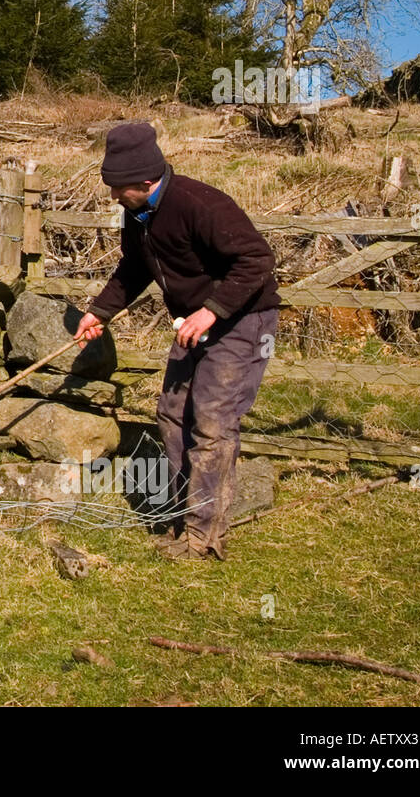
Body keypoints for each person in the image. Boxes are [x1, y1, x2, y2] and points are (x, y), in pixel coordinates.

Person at [75, 123, 280, 560]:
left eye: (118, 188)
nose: (114, 197)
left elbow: (257, 260)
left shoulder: (198, 203)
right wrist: (100, 312)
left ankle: (203, 537)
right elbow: (134, 269)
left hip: (242, 319)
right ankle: (184, 515)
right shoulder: (139, 213)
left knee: (211, 422)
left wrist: (212, 310)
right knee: (171, 413)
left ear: (146, 180)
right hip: (195, 323)